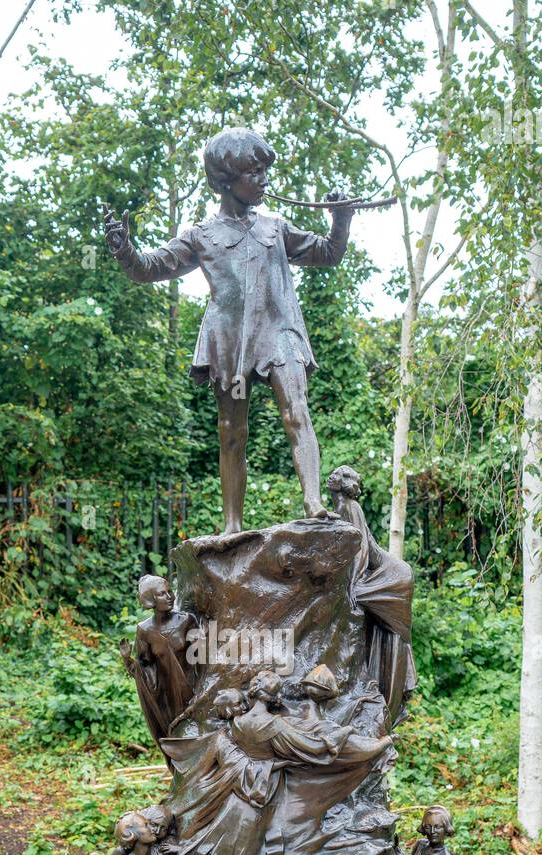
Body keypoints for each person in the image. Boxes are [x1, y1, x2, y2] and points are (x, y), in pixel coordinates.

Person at [104, 127, 354, 534]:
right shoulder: (202, 236)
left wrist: (341, 217)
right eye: (253, 172)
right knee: (232, 432)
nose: (263, 180)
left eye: (263, 171)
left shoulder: (276, 228)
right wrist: (124, 250)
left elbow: (328, 253)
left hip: (278, 331)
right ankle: (232, 527)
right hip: (230, 340)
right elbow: (149, 269)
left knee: (297, 410)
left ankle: (313, 501)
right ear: (225, 179)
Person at [326, 464, 417, 728]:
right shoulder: (339, 509)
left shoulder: (350, 507)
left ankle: (391, 693)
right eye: (335, 472)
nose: (333, 476)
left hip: (392, 575)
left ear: (346, 484)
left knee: (358, 604)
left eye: (341, 475)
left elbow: (360, 551)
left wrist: (353, 586)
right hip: (385, 573)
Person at [119, 574, 196, 742]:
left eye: (170, 592)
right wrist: (127, 660)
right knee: (177, 738)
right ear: (150, 599)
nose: (169, 597)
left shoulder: (186, 621)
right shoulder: (144, 630)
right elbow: (145, 668)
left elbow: (204, 659)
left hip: (193, 692)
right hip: (167, 699)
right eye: (162, 593)